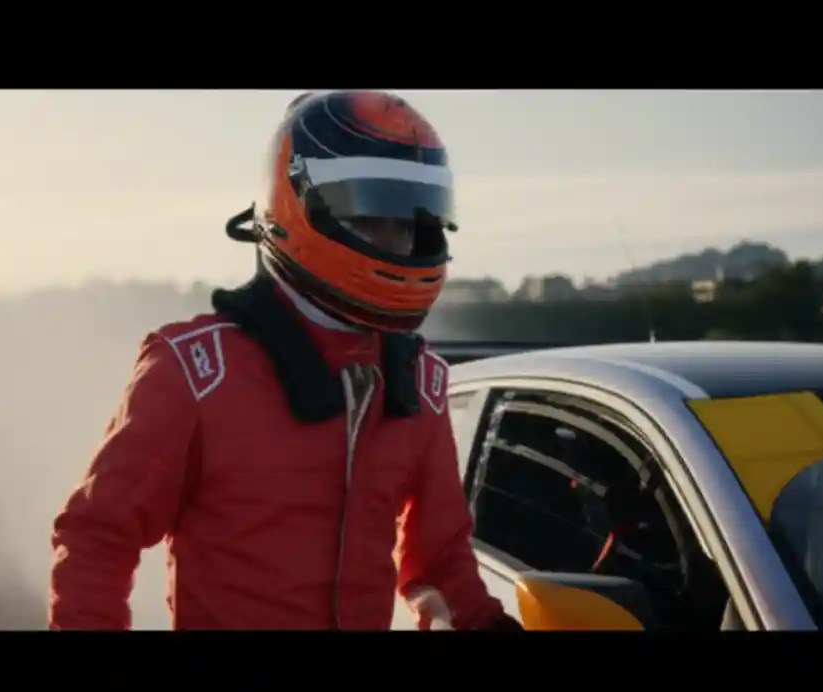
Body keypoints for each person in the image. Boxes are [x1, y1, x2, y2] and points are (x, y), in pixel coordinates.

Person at [49, 90, 522, 631]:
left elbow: (439, 563)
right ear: (297, 203)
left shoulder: (419, 380)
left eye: (410, 220)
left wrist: (487, 623)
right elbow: (96, 538)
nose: (395, 239)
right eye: (371, 214)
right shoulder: (195, 370)